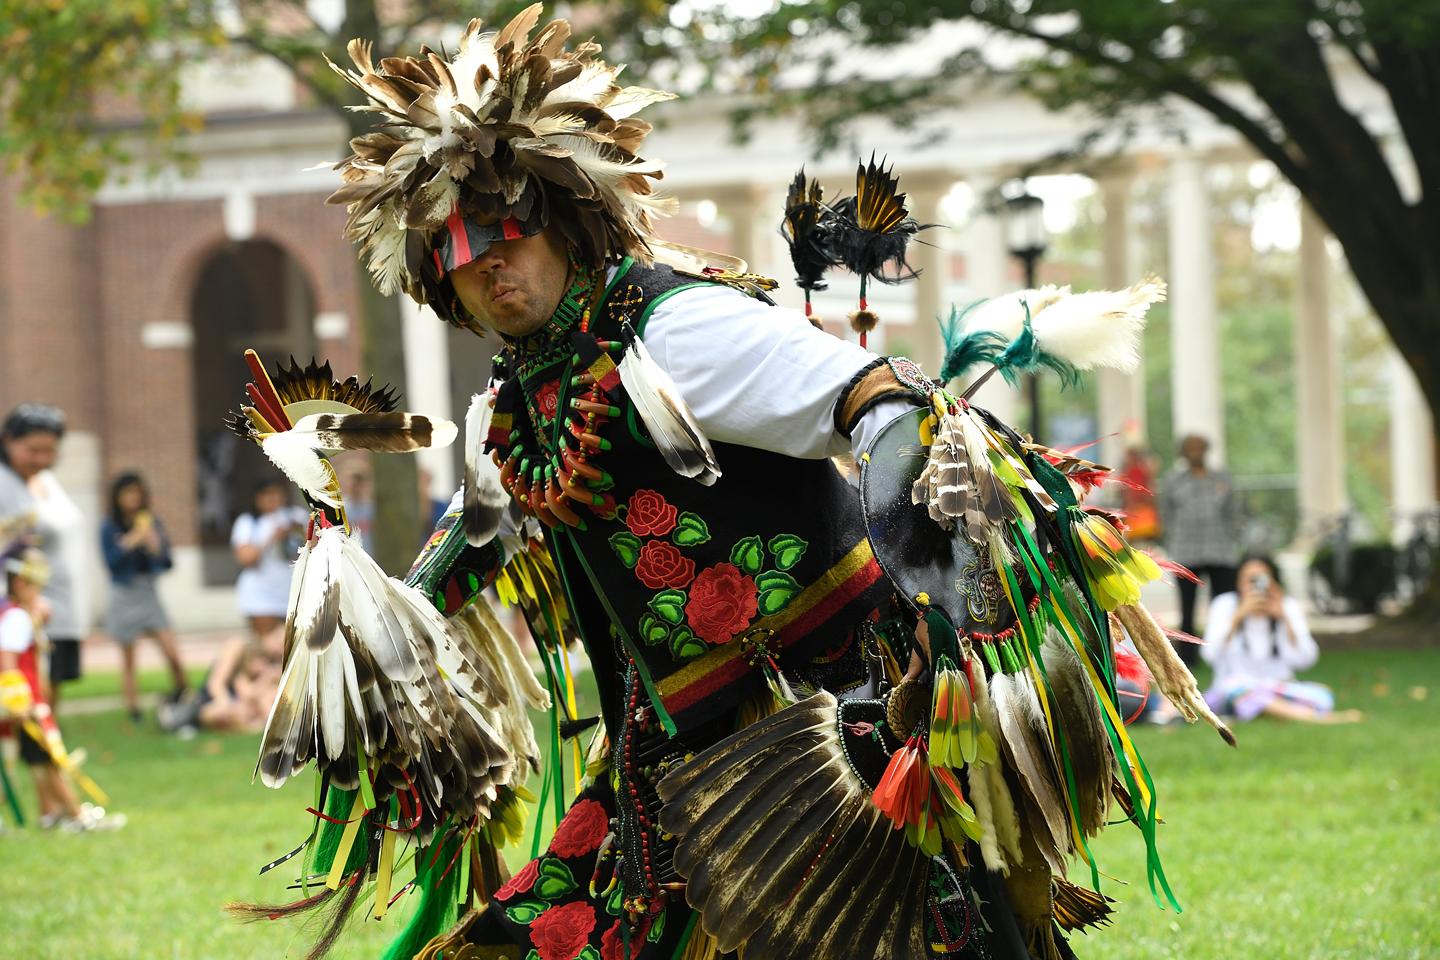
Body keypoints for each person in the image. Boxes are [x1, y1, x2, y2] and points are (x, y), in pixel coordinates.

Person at [234, 10, 1220, 959]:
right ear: (431, 280)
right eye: (462, 257)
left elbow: (876, 399)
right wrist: (345, 596)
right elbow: (464, 564)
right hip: (674, 761)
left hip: (841, 719)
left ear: (564, 220)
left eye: (510, 235)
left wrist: (939, 579)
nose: (494, 268)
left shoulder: (674, 331)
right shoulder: (511, 409)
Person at [0, 545, 123, 832]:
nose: (41, 594)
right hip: (25, 702)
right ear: (20, 584)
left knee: (36, 759)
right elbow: (7, 660)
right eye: (37, 587)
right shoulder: (17, 617)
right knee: (52, 758)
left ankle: (50, 812)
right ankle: (76, 815)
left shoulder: (18, 614)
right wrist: (17, 700)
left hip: (24, 701)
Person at [0, 404, 89, 708]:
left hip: (59, 609)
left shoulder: (46, 480)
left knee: (48, 700)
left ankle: (47, 754)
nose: (41, 459)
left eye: (49, 450)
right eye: (32, 449)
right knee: (23, 699)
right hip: (23, 611)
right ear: (7, 440)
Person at [1201, 555, 1359, 724]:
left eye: (1261, 580)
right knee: (1237, 690)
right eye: (1250, 581)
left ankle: (1265, 710)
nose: (1255, 587)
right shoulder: (1225, 604)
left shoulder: (1287, 606)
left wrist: (1285, 620)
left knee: (1323, 694)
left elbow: (1307, 659)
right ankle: (1315, 717)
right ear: (1239, 583)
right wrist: (1237, 618)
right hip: (1234, 688)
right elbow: (1209, 655)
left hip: (1276, 687)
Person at [100, 471, 189, 722]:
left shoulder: (152, 522)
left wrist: (154, 546)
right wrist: (130, 541)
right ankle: (133, 710)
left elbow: (167, 562)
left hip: (148, 592)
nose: (132, 498)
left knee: (172, 652)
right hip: (123, 593)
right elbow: (111, 563)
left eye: (136, 493)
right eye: (127, 493)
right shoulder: (109, 526)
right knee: (128, 658)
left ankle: (185, 695)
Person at [1158, 433, 1239, 663]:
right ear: (1183, 453)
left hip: (1220, 551)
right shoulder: (1173, 480)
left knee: (1224, 605)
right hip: (1186, 552)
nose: (1196, 453)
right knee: (1187, 608)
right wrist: (1172, 538)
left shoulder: (1221, 478)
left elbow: (1233, 512)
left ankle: (1224, 652)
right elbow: (1166, 514)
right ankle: (1188, 658)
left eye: (1200, 448)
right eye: (1191, 448)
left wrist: (1232, 537)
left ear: (1207, 450)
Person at [229, 478, 305, 642]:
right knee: (267, 647)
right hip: (261, 595)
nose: (273, 498)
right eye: (267, 494)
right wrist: (272, 537)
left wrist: (298, 532)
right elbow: (246, 558)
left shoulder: (296, 516)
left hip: (293, 592)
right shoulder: (248, 522)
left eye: (276, 493)